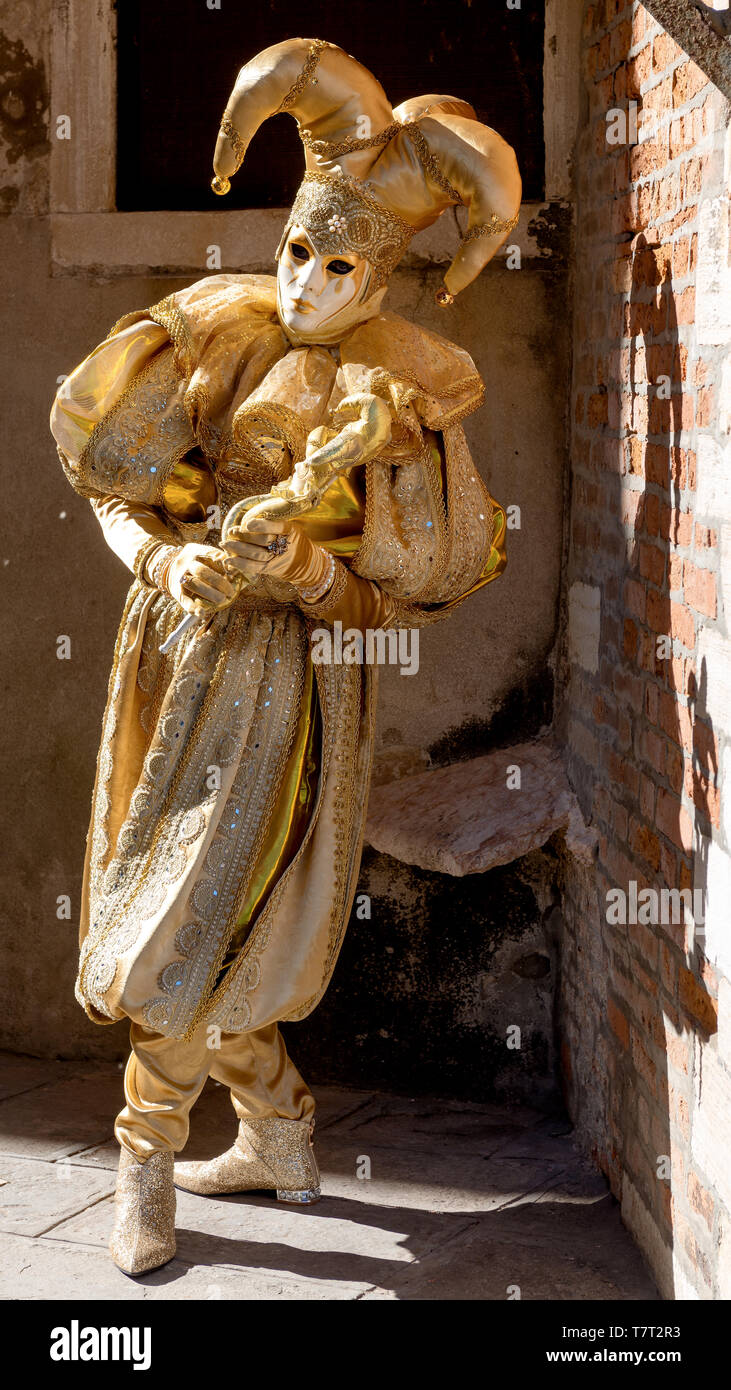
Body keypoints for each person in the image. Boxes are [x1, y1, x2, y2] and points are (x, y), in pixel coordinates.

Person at [49, 37, 520, 1276]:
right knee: (202, 905)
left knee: (185, 917)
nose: (307, 281)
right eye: (297, 249)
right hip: (169, 651)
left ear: (384, 273)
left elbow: (404, 597)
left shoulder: (401, 397)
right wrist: (162, 562)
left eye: (341, 262)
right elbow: (112, 490)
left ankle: (143, 1163)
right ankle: (279, 1132)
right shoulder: (215, 332)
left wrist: (314, 573)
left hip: (291, 687)